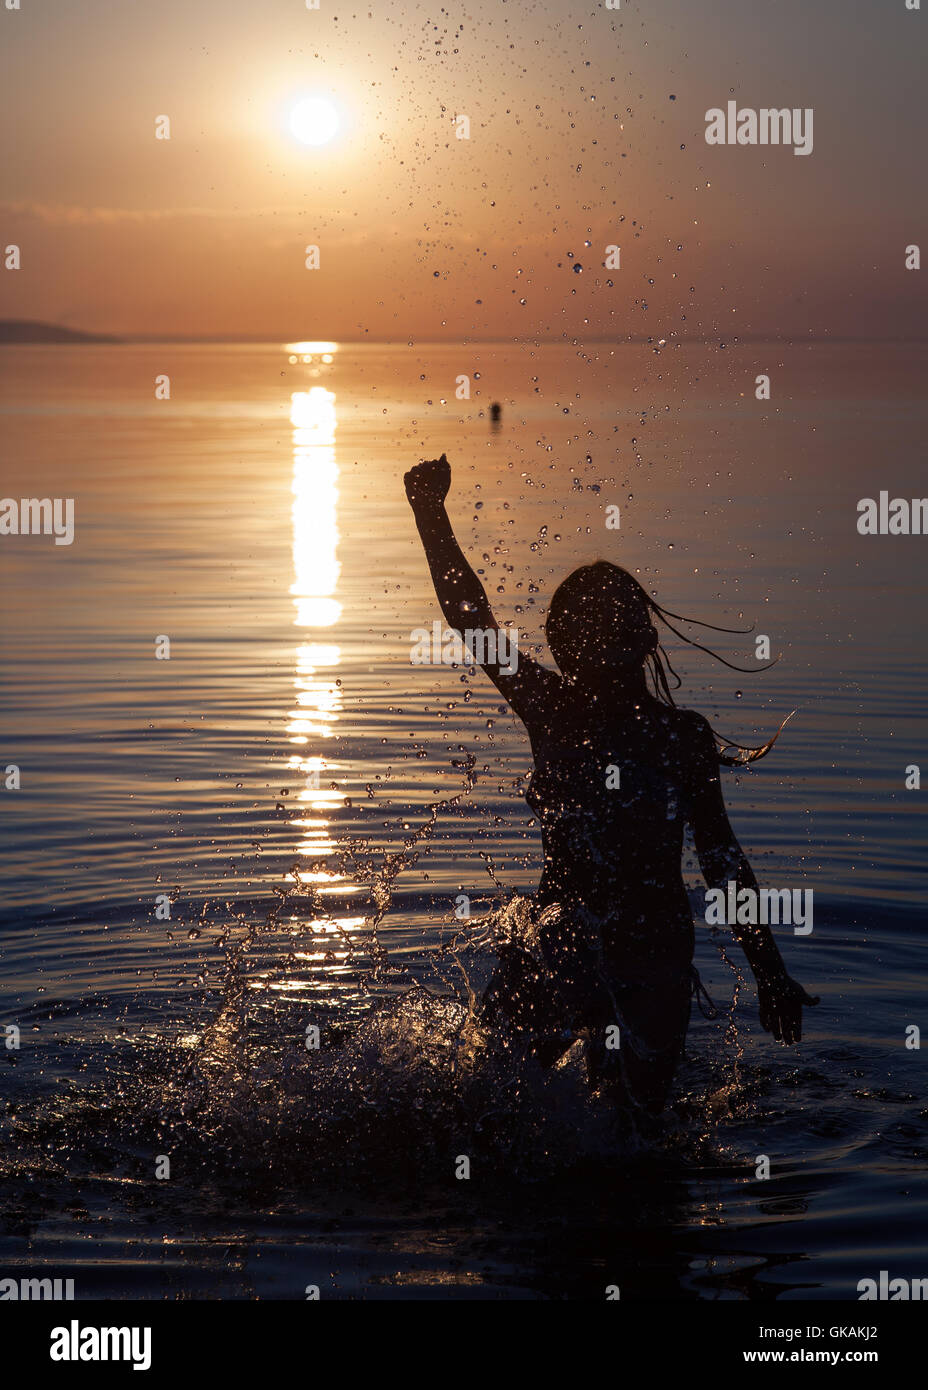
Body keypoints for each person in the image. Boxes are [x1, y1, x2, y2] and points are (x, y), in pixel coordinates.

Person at [404, 453, 818, 1115]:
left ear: (640, 639)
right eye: (592, 628)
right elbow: (470, 619)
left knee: (536, 1111)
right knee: (520, 1110)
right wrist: (430, 513)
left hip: (624, 947)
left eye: (612, 625)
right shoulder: (573, 713)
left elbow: (721, 859)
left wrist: (770, 970)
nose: (603, 643)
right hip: (588, 939)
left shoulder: (654, 731)